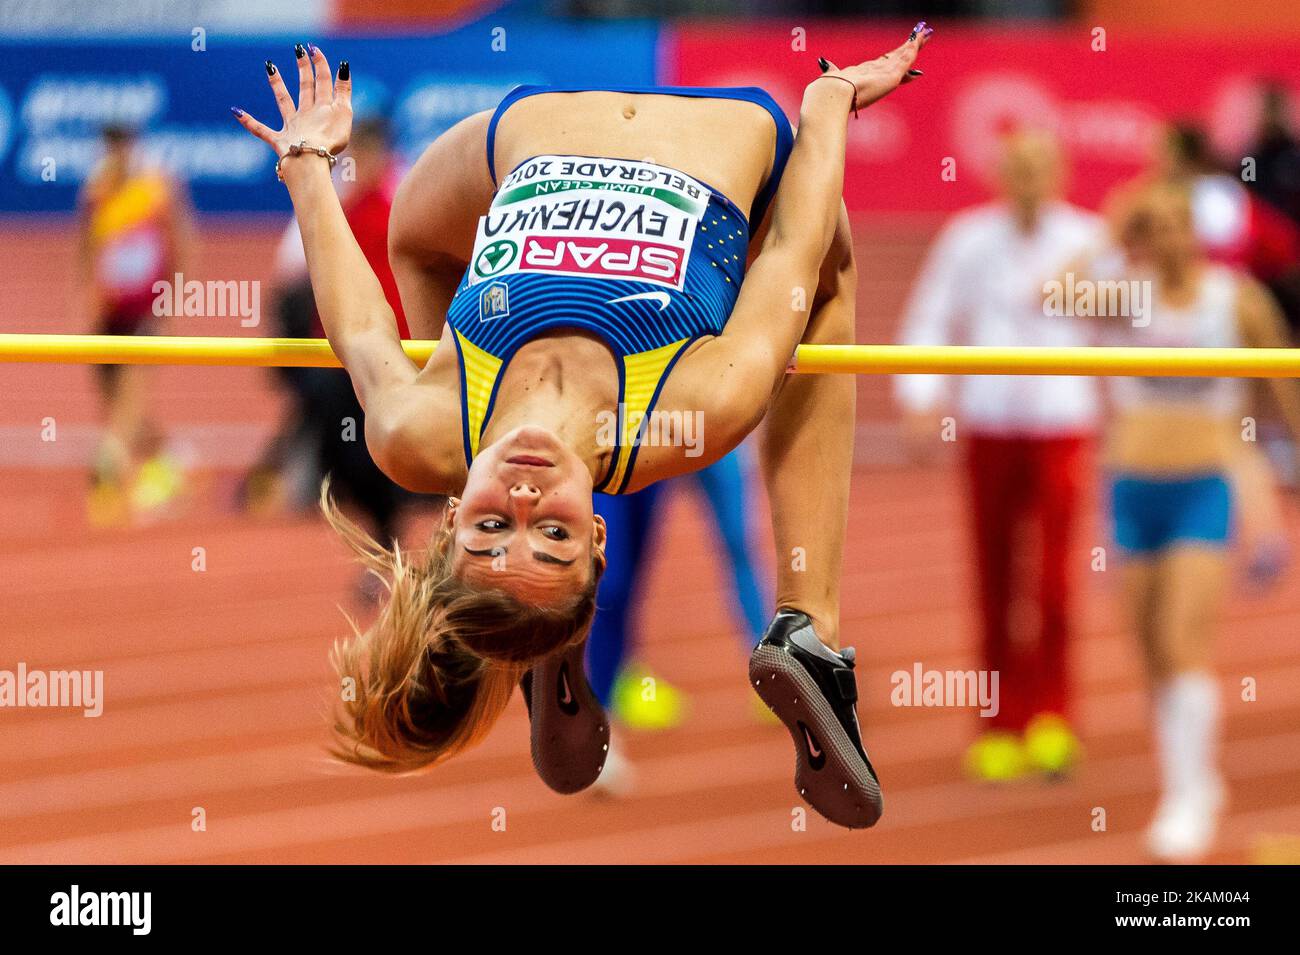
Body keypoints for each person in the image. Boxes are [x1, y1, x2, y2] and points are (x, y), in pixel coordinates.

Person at [231, 29, 935, 828]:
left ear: (454, 515)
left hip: (534, 133)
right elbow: (791, 253)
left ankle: (549, 633)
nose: (525, 493)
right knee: (827, 278)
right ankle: (807, 618)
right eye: (555, 533)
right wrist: (828, 105)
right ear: (599, 536)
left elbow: (356, 323)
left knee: (416, 244)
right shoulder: (696, 407)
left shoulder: (420, 428)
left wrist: (308, 166)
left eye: (495, 522)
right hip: (736, 131)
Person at [1084, 182, 1300, 860]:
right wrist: (1112, 236)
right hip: (1131, 485)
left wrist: (1275, 483)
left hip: (1204, 485)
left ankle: (1189, 789)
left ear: (1199, 232)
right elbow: (1047, 296)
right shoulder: (1127, 292)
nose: (1172, 238)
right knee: (1149, 652)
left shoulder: (1233, 297)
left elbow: (1282, 386)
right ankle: (1187, 776)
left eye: (1181, 224)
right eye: (1158, 226)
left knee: (1183, 640)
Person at [894, 130, 1102, 781]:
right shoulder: (968, 238)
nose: (1031, 179)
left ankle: (1052, 716)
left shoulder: (1090, 240)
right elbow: (929, 316)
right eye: (1019, 168)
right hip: (989, 425)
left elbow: (1129, 321)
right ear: (1001, 175)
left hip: (1062, 424)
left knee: (1055, 582)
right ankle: (997, 721)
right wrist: (922, 396)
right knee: (992, 576)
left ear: (1062, 171)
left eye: (1042, 166)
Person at [586, 443, 773, 792]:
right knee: (613, 577)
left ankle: (772, 669)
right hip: (623, 442)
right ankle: (602, 728)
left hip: (701, 428)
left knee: (739, 542)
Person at [76, 123, 194, 526]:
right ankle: (171, 462)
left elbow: (183, 242)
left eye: (122, 146)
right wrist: (84, 296)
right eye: (109, 147)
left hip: (147, 311)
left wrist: (175, 302)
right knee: (117, 406)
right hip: (110, 312)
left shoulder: (157, 188)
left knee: (129, 401)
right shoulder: (97, 191)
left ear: (132, 147)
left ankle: (109, 487)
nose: (116, 154)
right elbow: (86, 247)